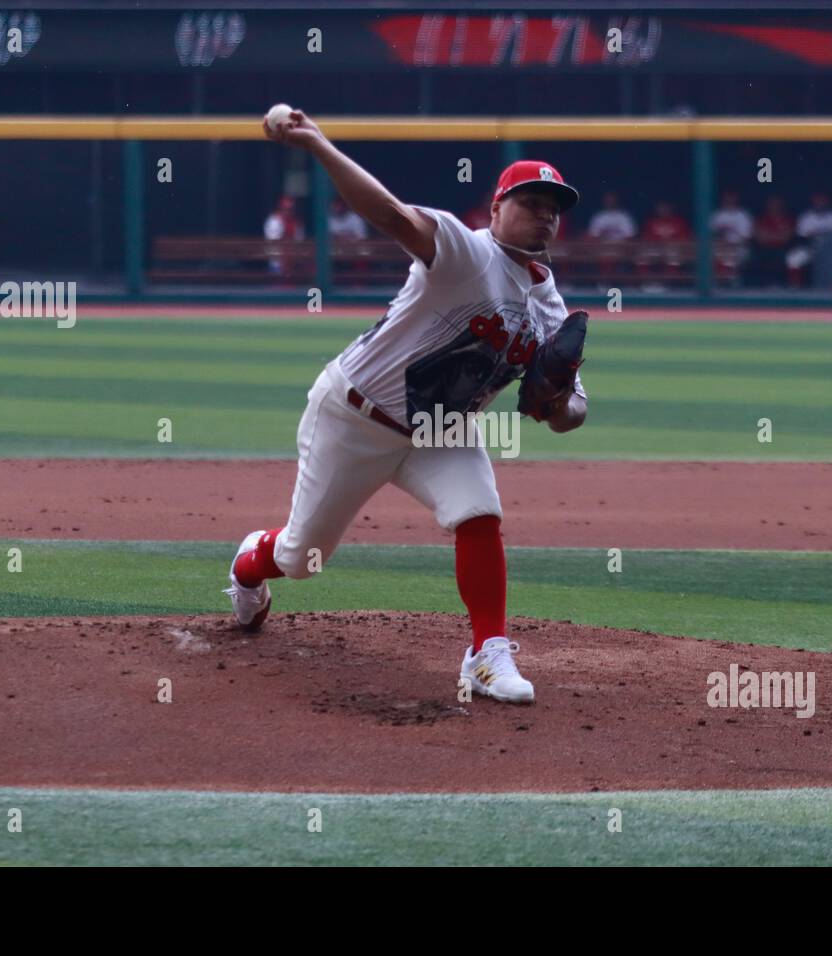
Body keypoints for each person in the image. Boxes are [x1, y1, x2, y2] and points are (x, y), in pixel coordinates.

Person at [227, 106, 589, 705]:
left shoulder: (550, 305)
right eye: (530, 203)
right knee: (300, 559)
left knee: (479, 514)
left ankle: (487, 652)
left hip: (441, 428)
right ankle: (248, 564)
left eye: (553, 209)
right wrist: (317, 144)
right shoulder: (464, 251)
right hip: (356, 415)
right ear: (496, 208)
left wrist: (555, 405)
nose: (544, 216)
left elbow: (574, 411)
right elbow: (389, 213)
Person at [788, 192, 832, 288]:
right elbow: (802, 235)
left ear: (827, 202)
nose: (820, 204)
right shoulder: (806, 217)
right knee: (794, 259)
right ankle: (795, 286)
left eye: (822, 201)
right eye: (818, 201)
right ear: (813, 202)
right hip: (811, 249)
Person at [637, 200, 692, 286]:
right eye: (661, 208)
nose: (663, 210)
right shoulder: (652, 221)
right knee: (642, 255)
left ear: (671, 209)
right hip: (656, 248)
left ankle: (670, 283)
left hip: (673, 249)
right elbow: (646, 238)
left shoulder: (679, 221)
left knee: (673, 256)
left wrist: (670, 245)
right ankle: (646, 282)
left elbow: (684, 239)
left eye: (666, 208)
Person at [709, 190, 753, 287]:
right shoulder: (718, 215)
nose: (729, 201)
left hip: (739, 248)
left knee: (731, 257)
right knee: (711, 254)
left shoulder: (743, 215)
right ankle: (716, 284)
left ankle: (733, 283)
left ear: (736, 200)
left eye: (732, 199)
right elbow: (709, 235)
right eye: (727, 199)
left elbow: (746, 239)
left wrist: (732, 245)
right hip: (719, 248)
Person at [751, 196, 795, 287]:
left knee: (789, 258)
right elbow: (759, 237)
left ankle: (785, 285)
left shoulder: (787, 219)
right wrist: (777, 235)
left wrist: (768, 235)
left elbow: (786, 238)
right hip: (763, 248)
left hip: (783, 249)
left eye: (777, 205)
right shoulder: (762, 219)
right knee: (756, 257)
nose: (775, 207)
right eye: (772, 205)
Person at [327, 197, 370, 285]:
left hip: (354, 249)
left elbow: (361, 238)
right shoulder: (329, 219)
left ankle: (359, 284)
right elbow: (328, 238)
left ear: (345, 206)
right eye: (335, 205)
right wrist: (345, 238)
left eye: (339, 205)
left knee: (363, 254)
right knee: (324, 257)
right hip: (335, 250)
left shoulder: (355, 218)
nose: (337, 208)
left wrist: (342, 238)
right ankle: (330, 284)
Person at [263, 195, 305, 281]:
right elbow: (274, 241)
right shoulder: (273, 221)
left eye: (291, 209)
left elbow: (300, 242)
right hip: (277, 264)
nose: (288, 211)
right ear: (280, 208)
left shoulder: (297, 223)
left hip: (295, 263)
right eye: (286, 208)